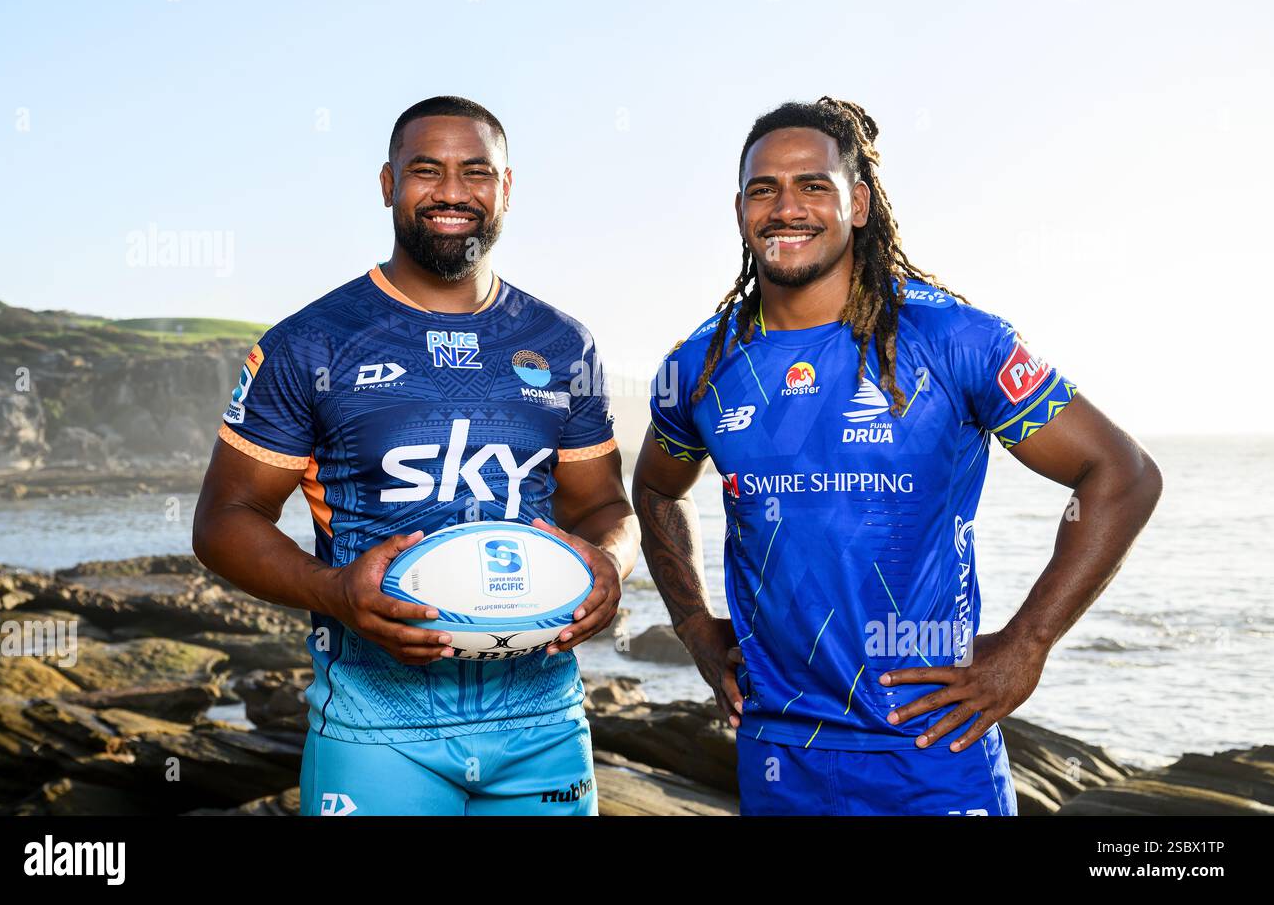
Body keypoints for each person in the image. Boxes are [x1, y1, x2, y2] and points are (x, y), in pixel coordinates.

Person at [632, 97, 1162, 815]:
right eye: (764, 189)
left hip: (931, 750)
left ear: (857, 203)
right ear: (740, 210)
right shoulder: (701, 364)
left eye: (812, 185)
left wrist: (1026, 646)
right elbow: (656, 490)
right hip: (778, 753)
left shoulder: (954, 339)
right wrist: (695, 627)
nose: (787, 208)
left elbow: (1122, 474)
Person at [193, 95, 638, 816]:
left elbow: (605, 507)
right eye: (427, 170)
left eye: (476, 172)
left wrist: (611, 564)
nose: (453, 192)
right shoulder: (312, 342)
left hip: (545, 725)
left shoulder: (563, 344)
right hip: (376, 729)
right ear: (387, 184)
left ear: (506, 188)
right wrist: (333, 591)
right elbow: (223, 519)